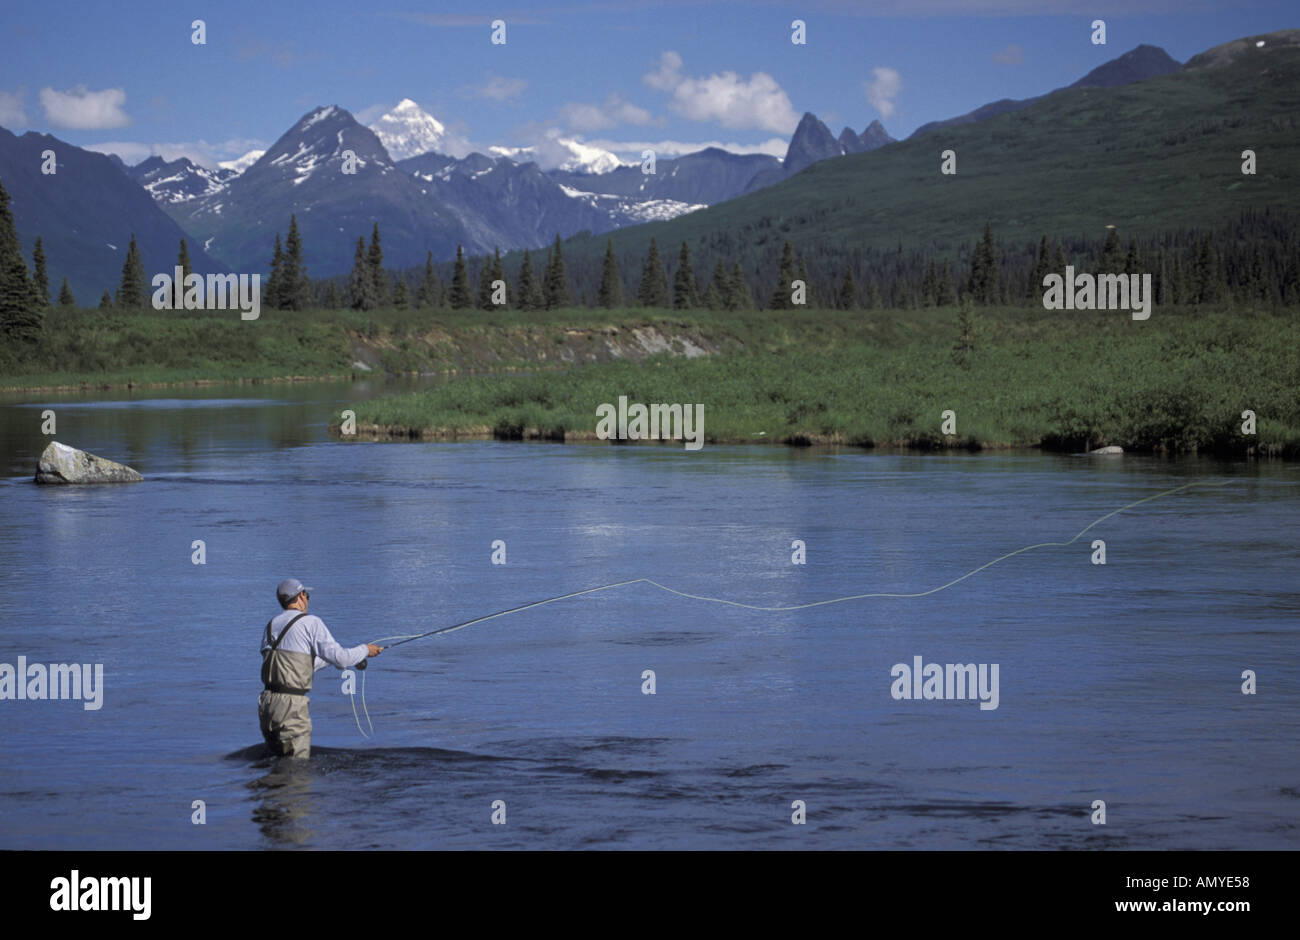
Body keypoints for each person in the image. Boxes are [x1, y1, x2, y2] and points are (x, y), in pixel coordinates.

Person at [258, 578, 382, 758]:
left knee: (277, 761)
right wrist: (365, 650)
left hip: (266, 705)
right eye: (307, 595)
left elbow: (295, 666)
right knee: (297, 768)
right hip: (292, 706)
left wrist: (345, 658)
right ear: (301, 596)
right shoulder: (311, 622)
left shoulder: (270, 626)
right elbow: (341, 659)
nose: (307, 599)